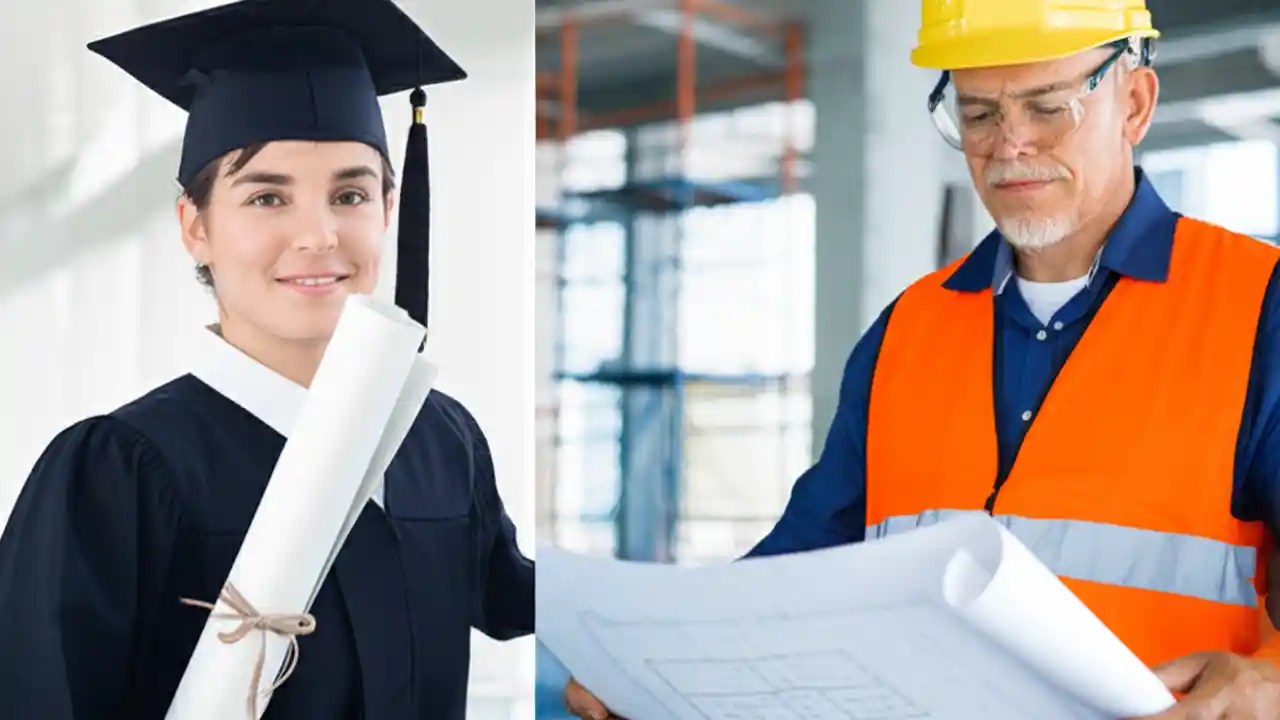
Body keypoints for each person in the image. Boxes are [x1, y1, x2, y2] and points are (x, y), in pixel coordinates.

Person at [564, 0, 1280, 718]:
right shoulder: (909, 329)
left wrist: (1269, 683)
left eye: (1047, 107)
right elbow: (800, 569)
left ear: (1134, 102)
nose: (1010, 144)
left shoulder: (1258, 308)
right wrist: (656, 668)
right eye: (978, 114)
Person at [0, 0, 532, 718]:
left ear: (387, 210)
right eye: (267, 198)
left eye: (350, 193)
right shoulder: (117, 472)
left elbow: (512, 599)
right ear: (196, 227)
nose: (318, 236)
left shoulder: (439, 438)